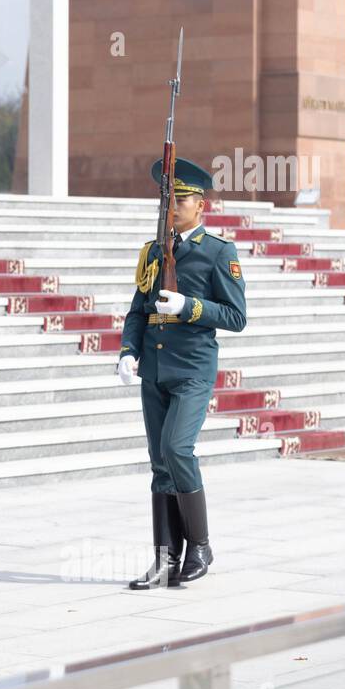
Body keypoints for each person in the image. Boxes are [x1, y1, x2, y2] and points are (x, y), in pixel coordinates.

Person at [117, 158, 247, 590]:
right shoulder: (154, 252)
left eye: (182, 199)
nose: (173, 206)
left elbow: (235, 315)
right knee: (160, 464)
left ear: (201, 205)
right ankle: (164, 561)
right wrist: (127, 351)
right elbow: (137, 310)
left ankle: (202, 545)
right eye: (168, 199)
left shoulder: (218, 252)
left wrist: (189, 307)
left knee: (177, 448)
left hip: (192, 368)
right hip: (154, 369)